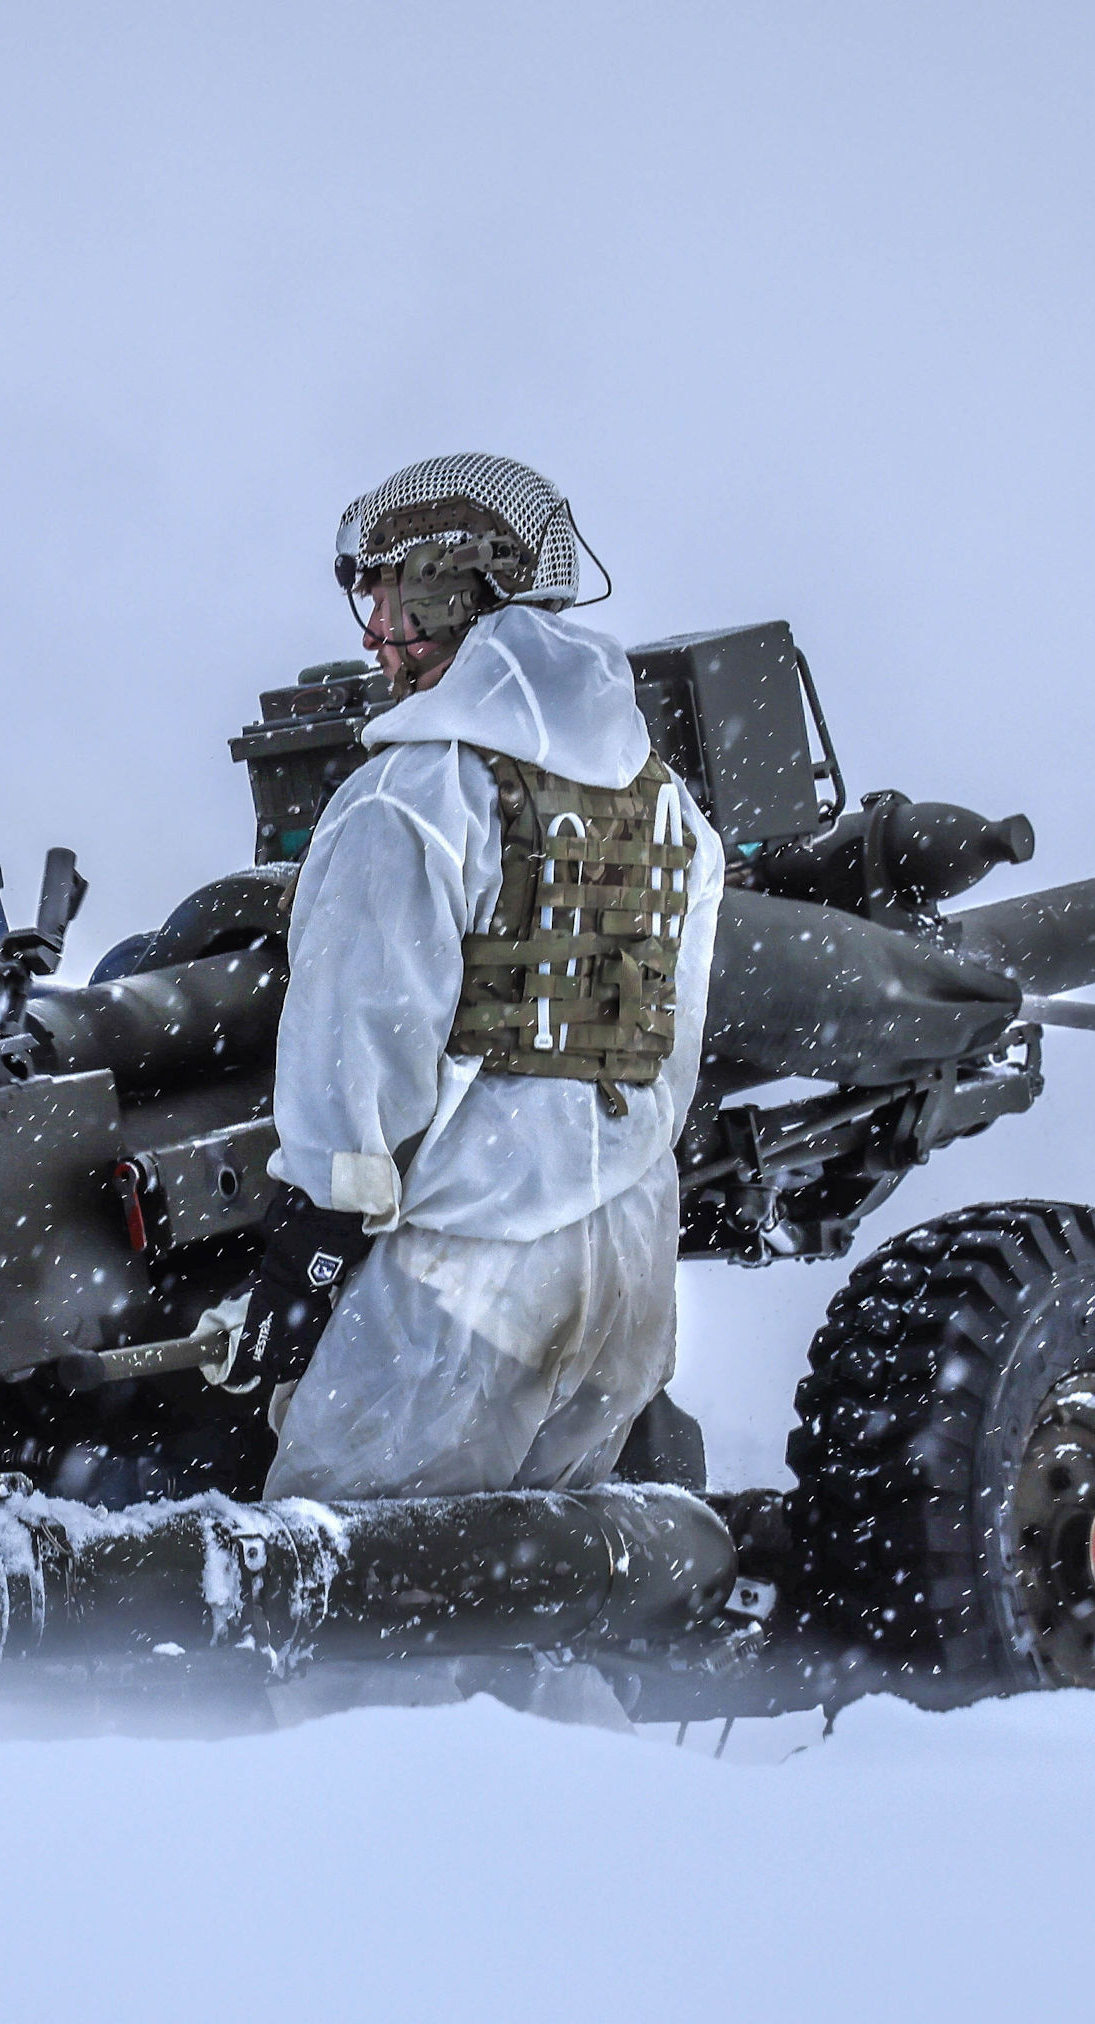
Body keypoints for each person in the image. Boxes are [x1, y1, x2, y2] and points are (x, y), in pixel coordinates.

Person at [232, 454, 724, 1501]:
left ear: (454, 591)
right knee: (540, 1600)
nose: (372, 634)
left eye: (388, 595)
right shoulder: (668, 805)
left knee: (358, 1614)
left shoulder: (406, 798)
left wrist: (305, 1251)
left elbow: (358, 1057)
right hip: (630, 1270)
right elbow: (666, 1056)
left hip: (465, 1275)